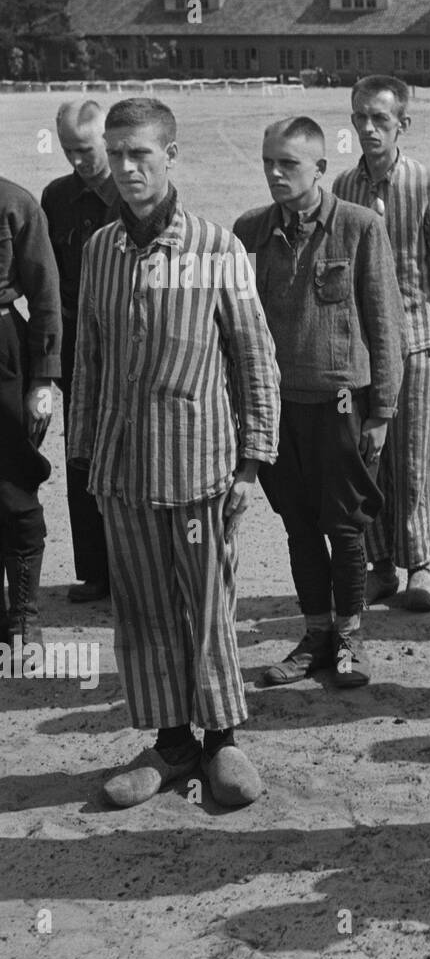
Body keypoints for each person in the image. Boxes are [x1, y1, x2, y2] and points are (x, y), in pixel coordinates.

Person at [68, 98, 280, 809]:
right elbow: (90, 357)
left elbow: (255, 358)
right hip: (124, 472)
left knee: (207, 607)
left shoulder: (218, 250)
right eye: (117, 154)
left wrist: (251, 463)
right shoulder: (100, 250)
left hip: (201, 468)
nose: (128, 169)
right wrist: (88, 456)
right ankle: (171, 743)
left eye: (142, 155)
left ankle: (221, 741)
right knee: (145, 609)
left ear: (171, 155)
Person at [234, 118, 404, 688]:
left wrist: (380, 413)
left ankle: (350, 636)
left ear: (321, 169)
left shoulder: (359, 228)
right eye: (269, 163)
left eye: (290, 164)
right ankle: (314, 635)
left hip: (340, 405)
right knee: (299, 527)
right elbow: (237, 328)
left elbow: (384, 325)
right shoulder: (250, 232)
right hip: (279, 410)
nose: (277, 174)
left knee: (347, 527)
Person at [332, 75, 430, 612]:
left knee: (415, 461)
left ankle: (421, 568)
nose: (367, 128)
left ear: (402, 124)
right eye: (360, 117)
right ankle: (380, 567)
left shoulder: (428, 185)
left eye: (379, 119)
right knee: (369, 461)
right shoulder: (342, 187)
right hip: (364, 357)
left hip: (422, 349)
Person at [40, 99, 115, 602]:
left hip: (124, 345)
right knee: (81, 454)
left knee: (130, 455)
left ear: (105, 141)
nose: (78, 162)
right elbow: (46, 278)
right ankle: (95, 570)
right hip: (74, 349)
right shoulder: (56, 197)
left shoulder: (132, 194)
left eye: (85, 150)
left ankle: (135, 570)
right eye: (69, 151)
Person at [0, 173, 60, 649]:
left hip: (4, 351)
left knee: (13, 484)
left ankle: (23, 613)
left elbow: (44, 295)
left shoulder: (15, 203)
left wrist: (43, 379)